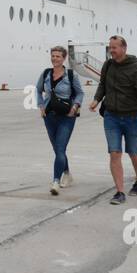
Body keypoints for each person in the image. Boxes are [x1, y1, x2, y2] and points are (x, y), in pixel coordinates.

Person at [88, 36, 137, 204]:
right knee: (114, 153)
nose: (111, 51)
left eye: (114, 47)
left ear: (124, 48)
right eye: (110, 47)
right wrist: (96, 99)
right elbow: (102, 84)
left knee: (133, 153)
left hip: (132, 118)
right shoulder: (108, 65)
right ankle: (120, 192)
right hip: (111, 117)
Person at [36, 47, 84, 195]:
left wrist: (75, 106)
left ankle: (56, 181)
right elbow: (38, 90)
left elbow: (80, 93)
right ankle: (67, 174)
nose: (55, 58)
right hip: (49, 116)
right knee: (57, 149)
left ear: (63, 58)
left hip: (66, 117)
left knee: (60, 148)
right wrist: (41, 105)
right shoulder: (46, 74)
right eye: (53, 56)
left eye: (58, 56)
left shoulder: (70, 75)